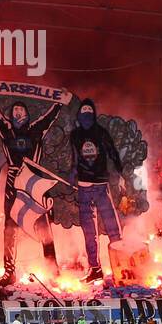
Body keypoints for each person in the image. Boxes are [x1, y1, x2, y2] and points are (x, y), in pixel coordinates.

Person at [0, 91, 66, 286]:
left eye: (21, 109)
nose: (18, 112)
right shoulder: (7, 130)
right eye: (15, 110)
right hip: (13, 179)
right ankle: (9, 272)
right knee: (10, 228)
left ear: (27, 114)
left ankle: (53, 271)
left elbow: (48, 119)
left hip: (33, 180)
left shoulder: (34, 130)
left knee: (43, 225)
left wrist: (60, 104)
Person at [68, 98, 125, 283]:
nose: (86, 113)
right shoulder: (75, 134)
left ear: (93, 113)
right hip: (83, 188)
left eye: (88, 110)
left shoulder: (101, 132)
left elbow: (111, 151)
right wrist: (73, 171)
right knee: (88, 231)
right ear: (79, 114)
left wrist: (120, 172)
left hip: (100, 185)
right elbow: (75, 156)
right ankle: (95, 270)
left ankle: (121, 267)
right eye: (82, 110)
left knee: (112, 228)